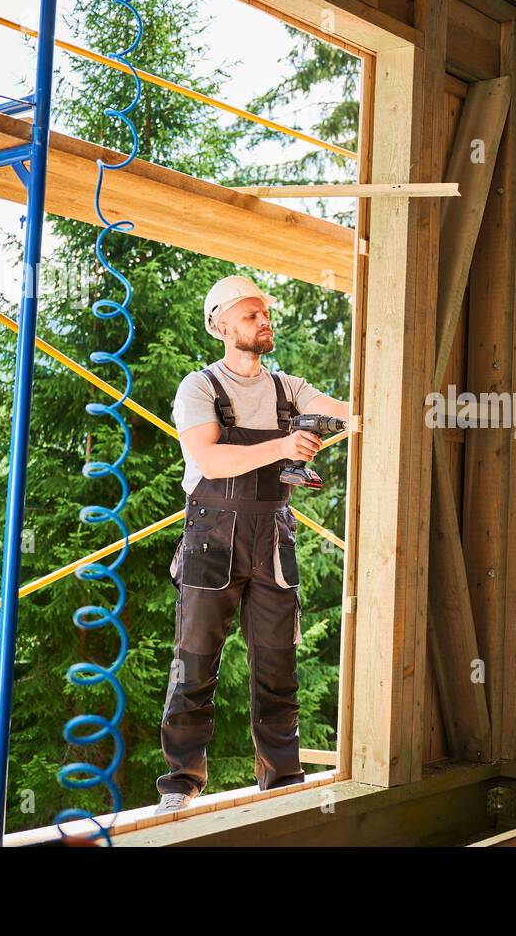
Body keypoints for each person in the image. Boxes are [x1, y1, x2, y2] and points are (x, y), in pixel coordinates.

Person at [154, 275, 349, 815]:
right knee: (194, 665)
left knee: (277, 665)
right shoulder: (200, 388)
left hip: (273, 533)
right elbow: (211, 461)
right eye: (249, 315)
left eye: (265, 314)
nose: (263, 322)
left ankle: (282, 780)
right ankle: (180, 783)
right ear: (220, 325)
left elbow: (350, 412)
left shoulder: (291, 389)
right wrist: (286, 445)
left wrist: (367, 405)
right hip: (213, 532)